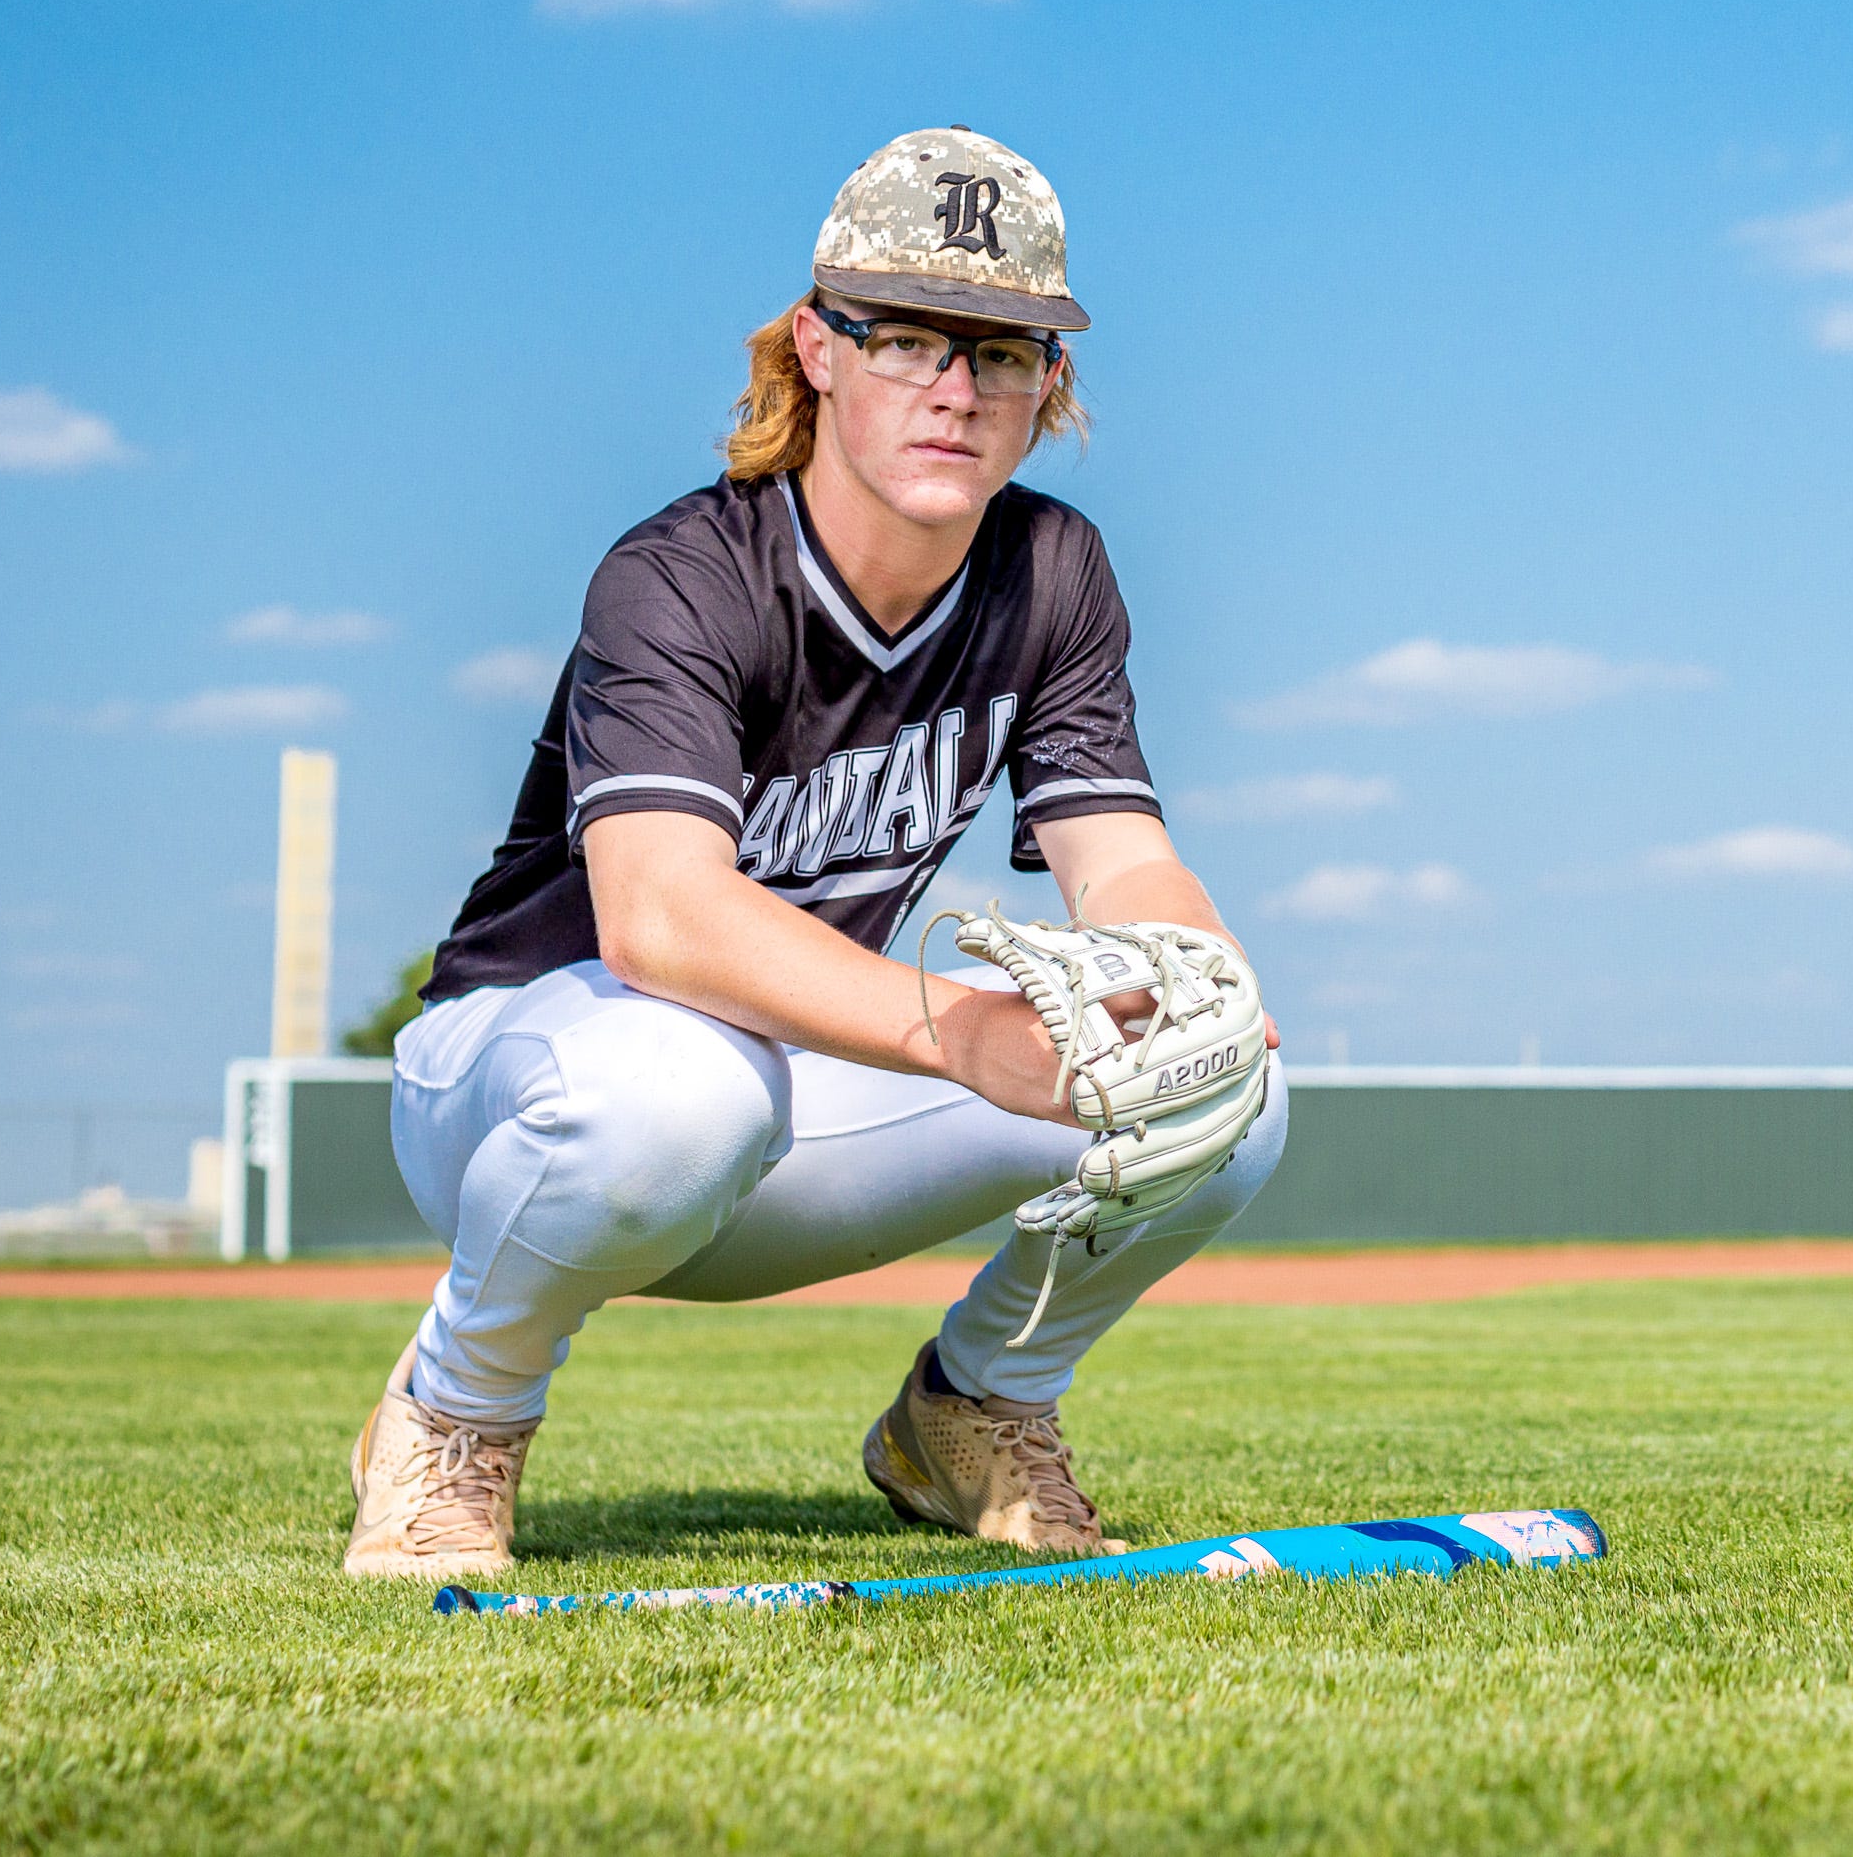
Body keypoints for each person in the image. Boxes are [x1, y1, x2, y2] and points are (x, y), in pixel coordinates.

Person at [345, 127, 1284, 1582]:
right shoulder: (681, 574)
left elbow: (1122, 858)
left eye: (1003, 349)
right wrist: (964, 1031)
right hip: (534, 1076)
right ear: (817, 348)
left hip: (789, 1096)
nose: (956, 389)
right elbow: (663, 923)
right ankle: (452, 1410)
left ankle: (972, 1406)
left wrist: (1195, 970)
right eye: (907, 337)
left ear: (1051, 388)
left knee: (1231, 1085)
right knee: (673, 1082)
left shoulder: (1052, 571)